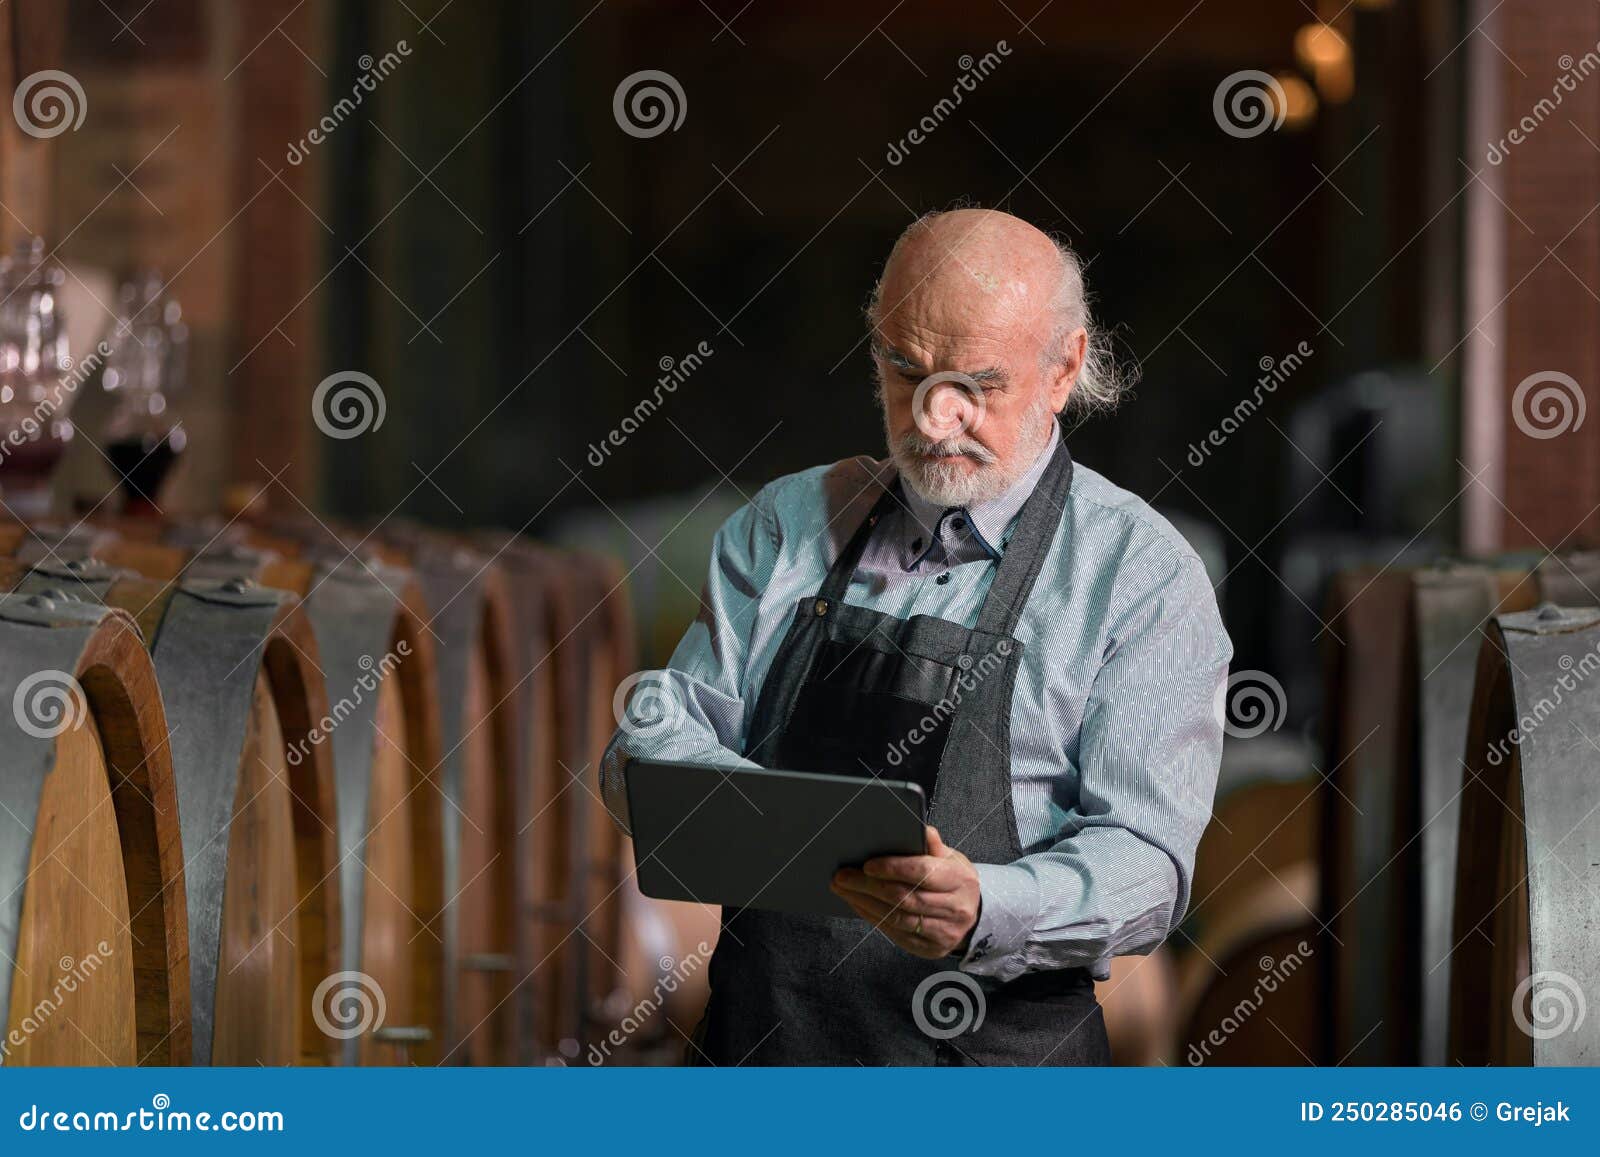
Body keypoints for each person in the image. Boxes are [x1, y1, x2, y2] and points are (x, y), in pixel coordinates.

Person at [601, 207, 1231, 1065]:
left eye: (979, 384)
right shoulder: (783, 527)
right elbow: (656, 736)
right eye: (906, 370)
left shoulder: (1142, 576)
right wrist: (764, 816)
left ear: (1063, 369)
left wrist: (988, 905)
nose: (934, 419)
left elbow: (1148, 864)